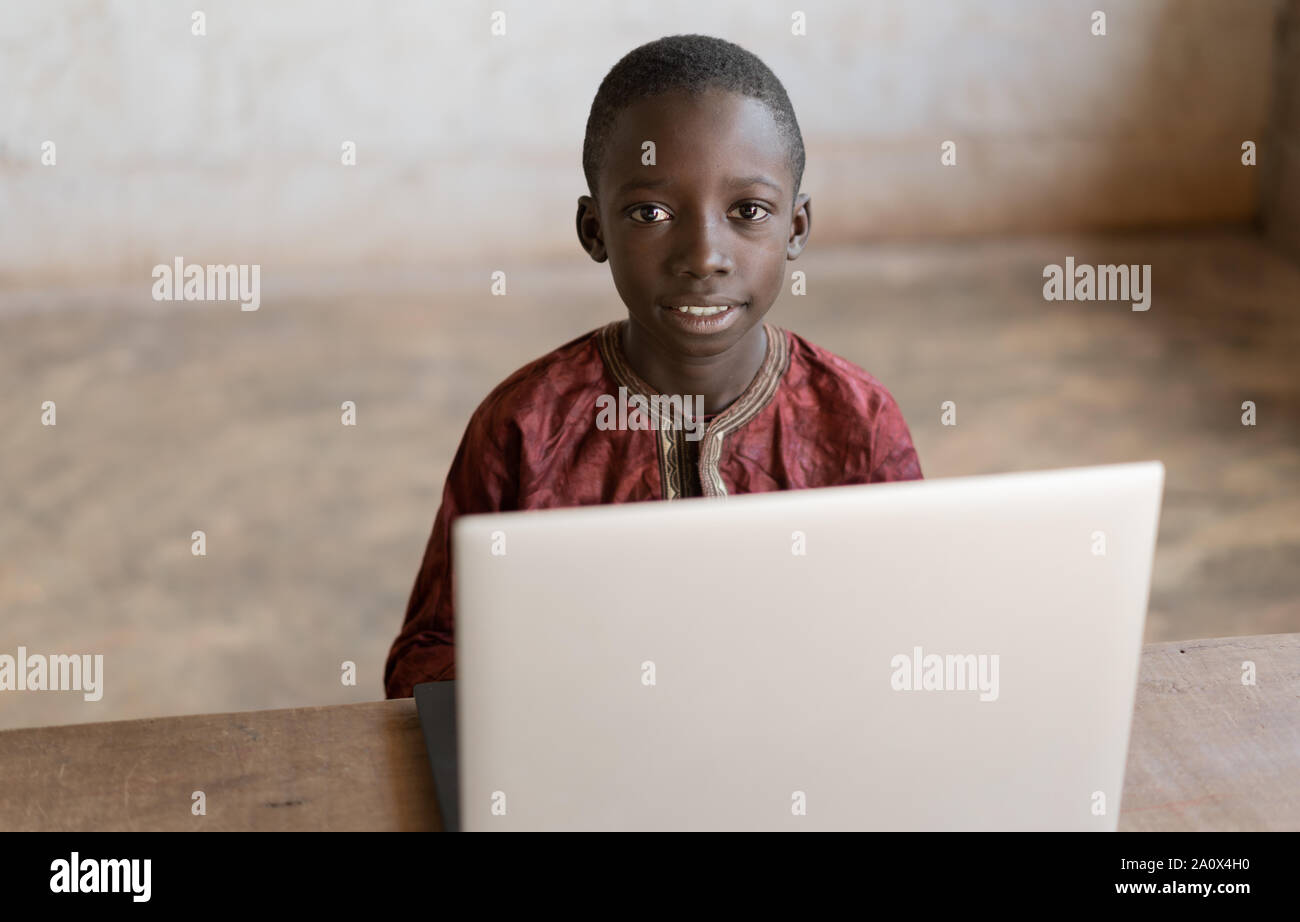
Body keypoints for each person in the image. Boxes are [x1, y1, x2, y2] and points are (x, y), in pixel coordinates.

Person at [384, 34, 922, 698]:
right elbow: (429, 658)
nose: (703, 255)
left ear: (798, 228)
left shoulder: (858, 420)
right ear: (594, 232)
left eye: (748, 212)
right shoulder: (523, 426)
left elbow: (908, 634)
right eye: (651, 212)